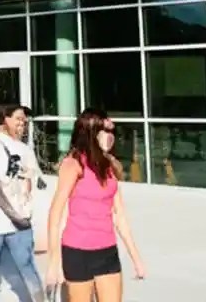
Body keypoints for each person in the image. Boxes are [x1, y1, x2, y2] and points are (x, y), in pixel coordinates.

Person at [45, 108, 147, 302]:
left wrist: (136, 259)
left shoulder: (108, 166)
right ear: (90, 134)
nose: (110, 137)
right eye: (104, 132)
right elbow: (55, 214)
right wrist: (54, 263)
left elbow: (120, 217)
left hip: (107, 251)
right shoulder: (73, 164)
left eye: (112, 133)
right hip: (77, 252)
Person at [0, 104, 43, 302]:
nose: (23, 123)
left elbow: (33, 179)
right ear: (5, 119)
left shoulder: (24, 148)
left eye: (24, 120)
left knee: (27, 265)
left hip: (21, 219)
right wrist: (16, 216)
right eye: (18, 119)